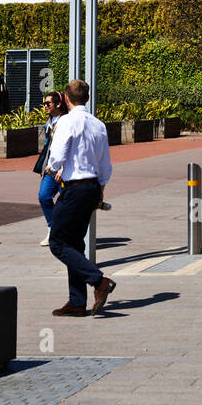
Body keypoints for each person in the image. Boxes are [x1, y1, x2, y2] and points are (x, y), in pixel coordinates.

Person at [45, 78, 115, 316]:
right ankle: (76, 302)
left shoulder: (66, 121)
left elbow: (58, 153)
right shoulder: (98, 124)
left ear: (65, 99)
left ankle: (99, 281)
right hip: (93, 186)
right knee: (74, 242)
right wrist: (101, 189)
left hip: (74, 187)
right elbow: (106, 164)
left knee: (57, 242)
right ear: (87, 97)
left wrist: (53, 167)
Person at [36, 91, 68, 245]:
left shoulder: (65, 121)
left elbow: (69, 147)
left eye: (48, 103)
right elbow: (49, 148)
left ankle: (68, 234)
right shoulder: (50, 122)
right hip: (50, 168)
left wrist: (62, 169)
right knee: (44, 196)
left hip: (64, 170)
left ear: (58, 104)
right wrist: (43, 168)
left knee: (66, 204)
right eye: (44, 104)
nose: (45, 106)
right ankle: (52, 228)